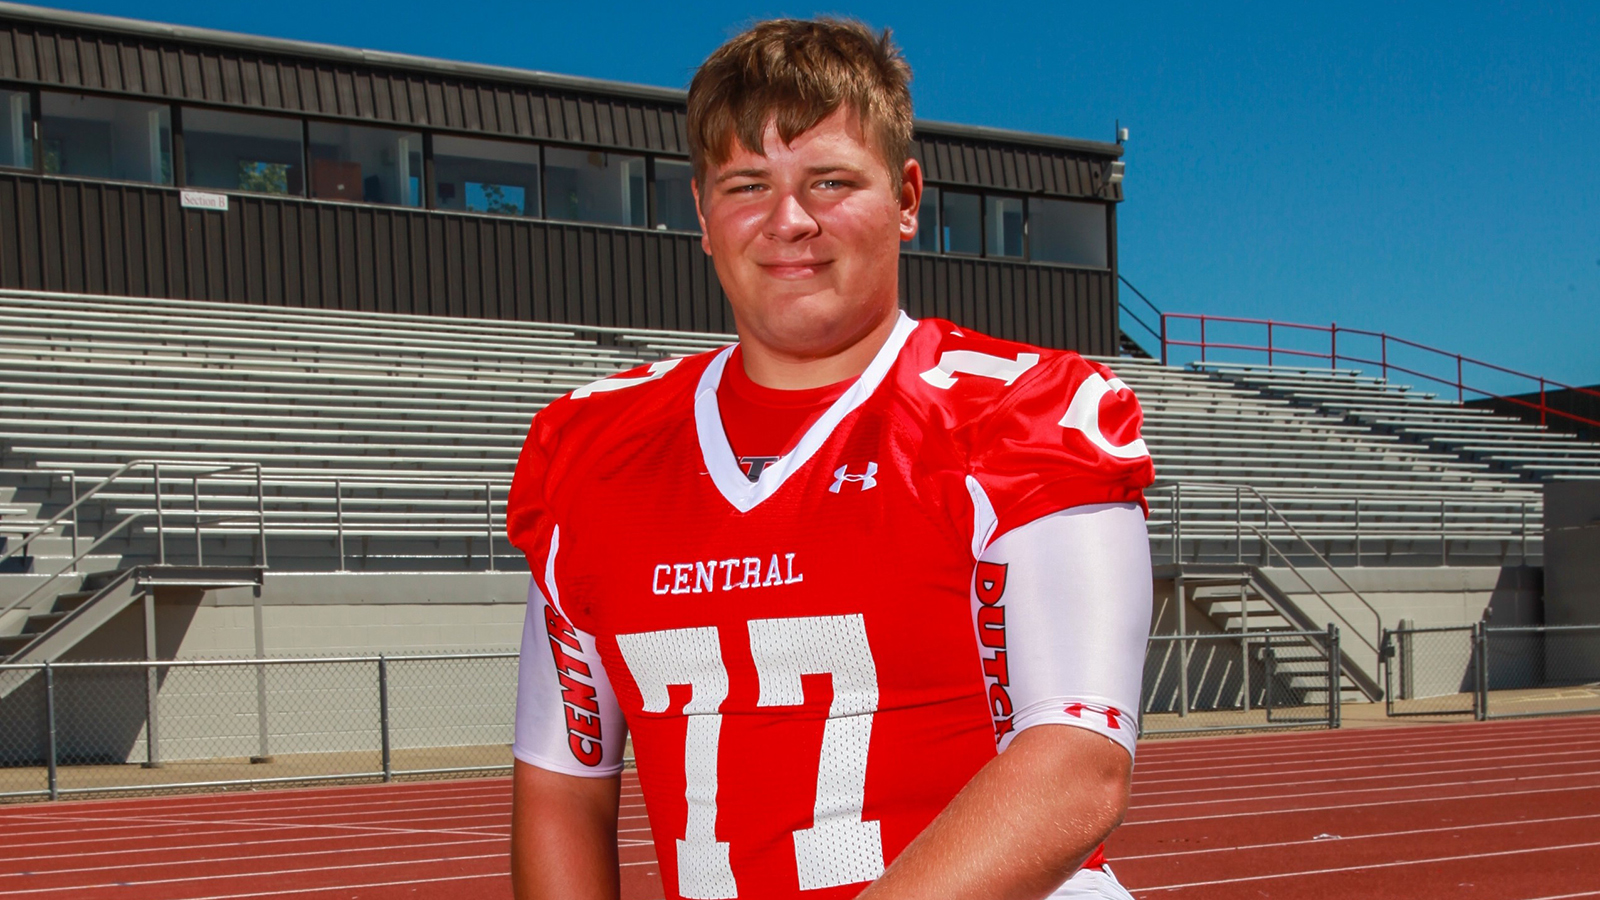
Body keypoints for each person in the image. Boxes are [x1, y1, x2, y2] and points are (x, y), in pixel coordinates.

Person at [506, 18, 1154, 900]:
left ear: (907, 196)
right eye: (747, 185)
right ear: (701, 213)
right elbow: (561, 791)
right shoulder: (592, 450)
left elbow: (1076, 766)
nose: (790, 221)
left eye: (831, 181)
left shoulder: (1016, 413)